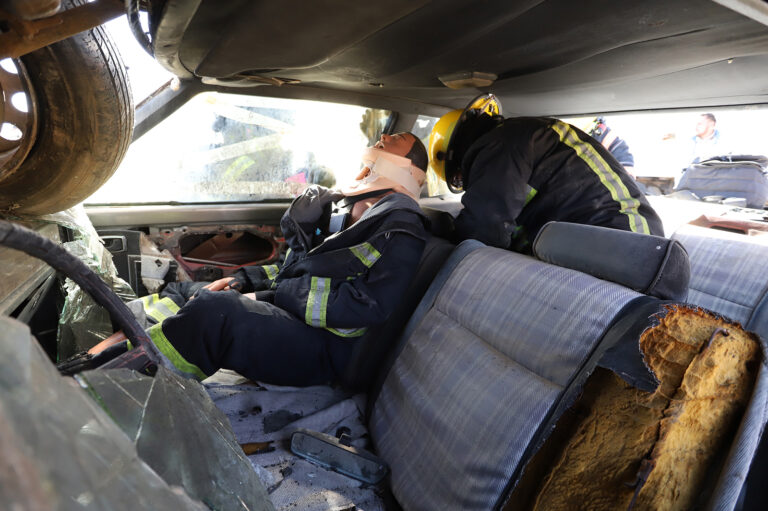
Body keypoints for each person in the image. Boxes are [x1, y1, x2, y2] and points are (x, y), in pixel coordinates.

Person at [92, 132, 429, 386]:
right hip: (296, 319)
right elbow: (294, 270)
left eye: (397, 139)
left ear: (411, 170)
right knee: (187, 292)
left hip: (327, 349)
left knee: (217, 312)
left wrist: (268, 296)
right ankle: (94, 361)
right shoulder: (348, 209)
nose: (383, 137)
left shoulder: (402, 228)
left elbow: (365, 305)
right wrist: (244, 281)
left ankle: (118, 386)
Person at [428, 94, 664, 252]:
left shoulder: (502, 144)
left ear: (456, 153)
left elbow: (484, 228)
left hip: (628, 239)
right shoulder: (517, 138)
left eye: (460, 174)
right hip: (623, 236)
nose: (467, 180)